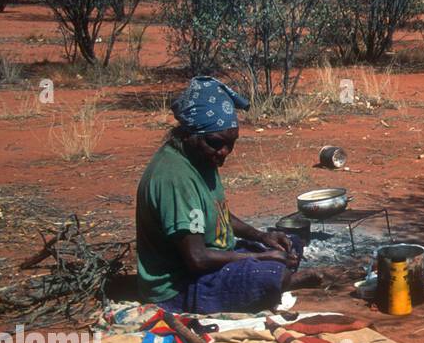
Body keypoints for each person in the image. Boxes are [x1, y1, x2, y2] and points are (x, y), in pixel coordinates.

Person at [135, 76, 319, 313]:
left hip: (208, 260)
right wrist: (262, 259)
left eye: (230, 145)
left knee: (289, 243)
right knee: (268, 273)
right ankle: (286, 281)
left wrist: (262, 237)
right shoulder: (175, 178)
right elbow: (197, 259)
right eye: (216, 143)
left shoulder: (200, 158)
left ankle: (279, 277)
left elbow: (217, 213)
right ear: (189, 133)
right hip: (178, 286)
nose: (224, 152)